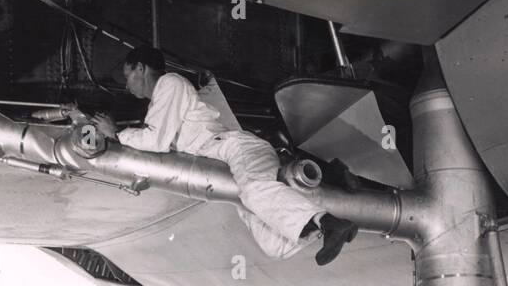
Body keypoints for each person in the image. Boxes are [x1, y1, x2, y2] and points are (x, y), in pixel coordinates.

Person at [91, 47, 358, 265]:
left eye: (128, 76)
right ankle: (326, 218)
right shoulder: (160, 103)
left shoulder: (169, 83)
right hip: (226, 166)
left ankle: (328, 222)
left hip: (236, 149)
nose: (127, 85)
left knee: (254, 191)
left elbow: (155, 140)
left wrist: (115, 133)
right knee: (273, 245)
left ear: (141, 67)